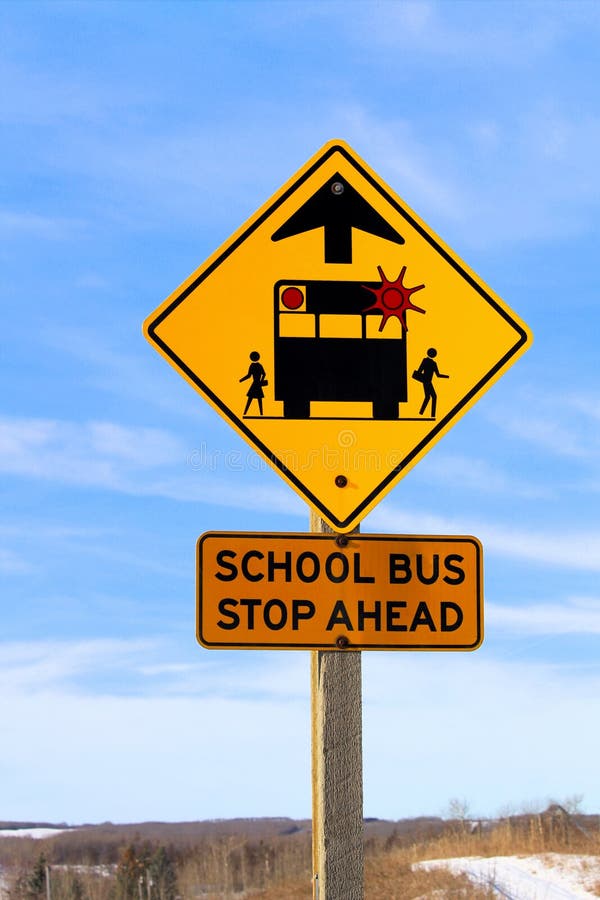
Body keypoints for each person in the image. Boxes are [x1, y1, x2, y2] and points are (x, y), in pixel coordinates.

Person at [416, 348, 449, 418]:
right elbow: (438, 375)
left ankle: (422, 413)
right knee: (433, 397)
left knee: (428, 397)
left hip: (426, 381)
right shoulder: (432, 363)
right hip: (427, 381)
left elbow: (419, 371)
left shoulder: (427, 361)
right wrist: (447, 376)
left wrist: (447, 376)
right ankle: (432, 415)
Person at [239, 351, 267, 416]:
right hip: (257, 384)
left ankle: (259, 413)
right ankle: (259, 413)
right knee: (257, 399)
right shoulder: (259, 365)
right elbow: (263, 374)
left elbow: (249, 375)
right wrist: (261, 381)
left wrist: (241, 380)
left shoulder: (253, 366)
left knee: (252, 398)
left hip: (255, 384)